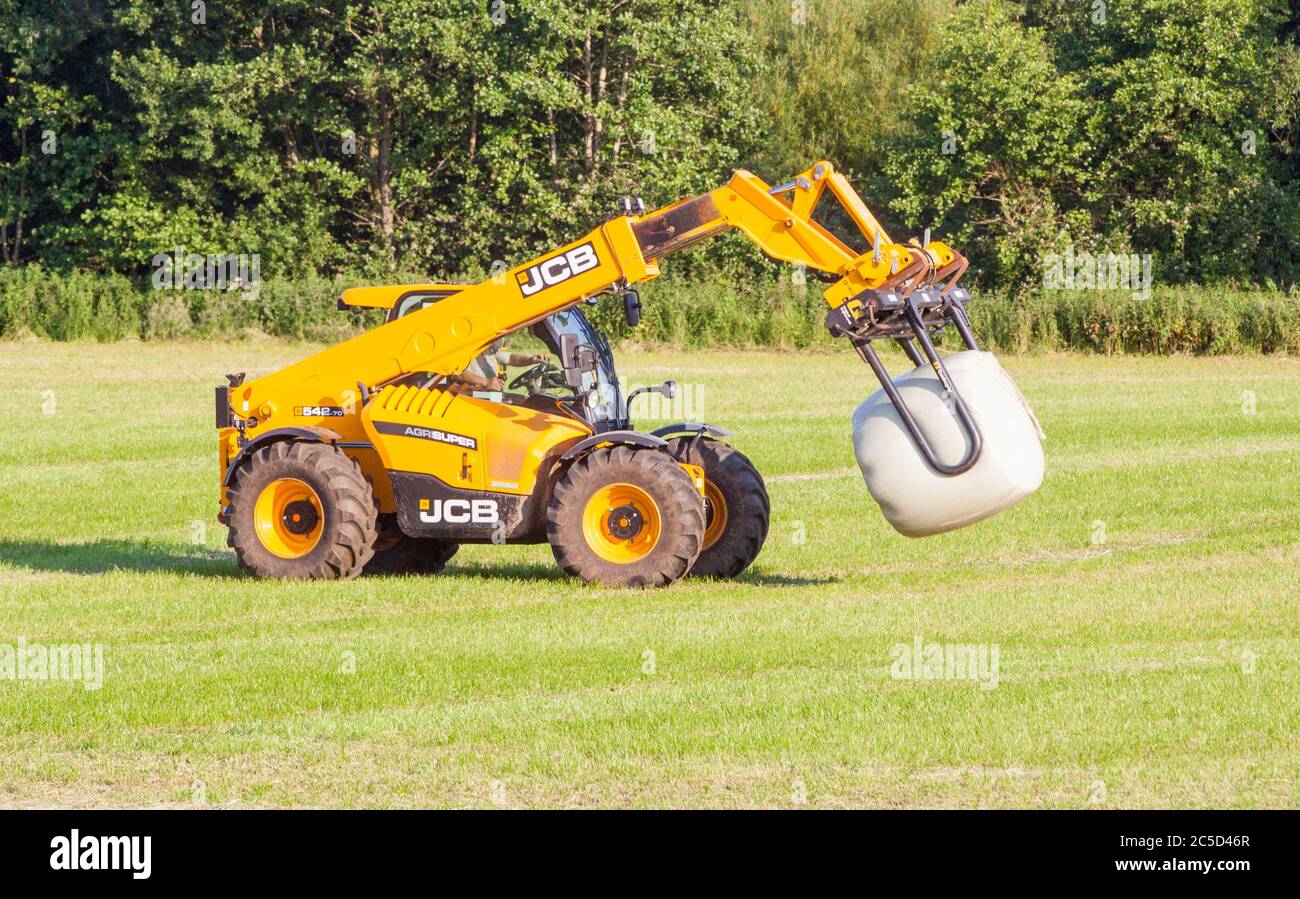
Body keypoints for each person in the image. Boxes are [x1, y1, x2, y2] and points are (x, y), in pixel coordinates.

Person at [453, 337, 548, 393]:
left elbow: (510, 358)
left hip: (490, 395)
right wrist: (486, 382)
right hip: (469, 396)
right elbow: (456, 373)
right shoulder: (464, 348)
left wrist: (530, 360)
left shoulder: (489, 350)